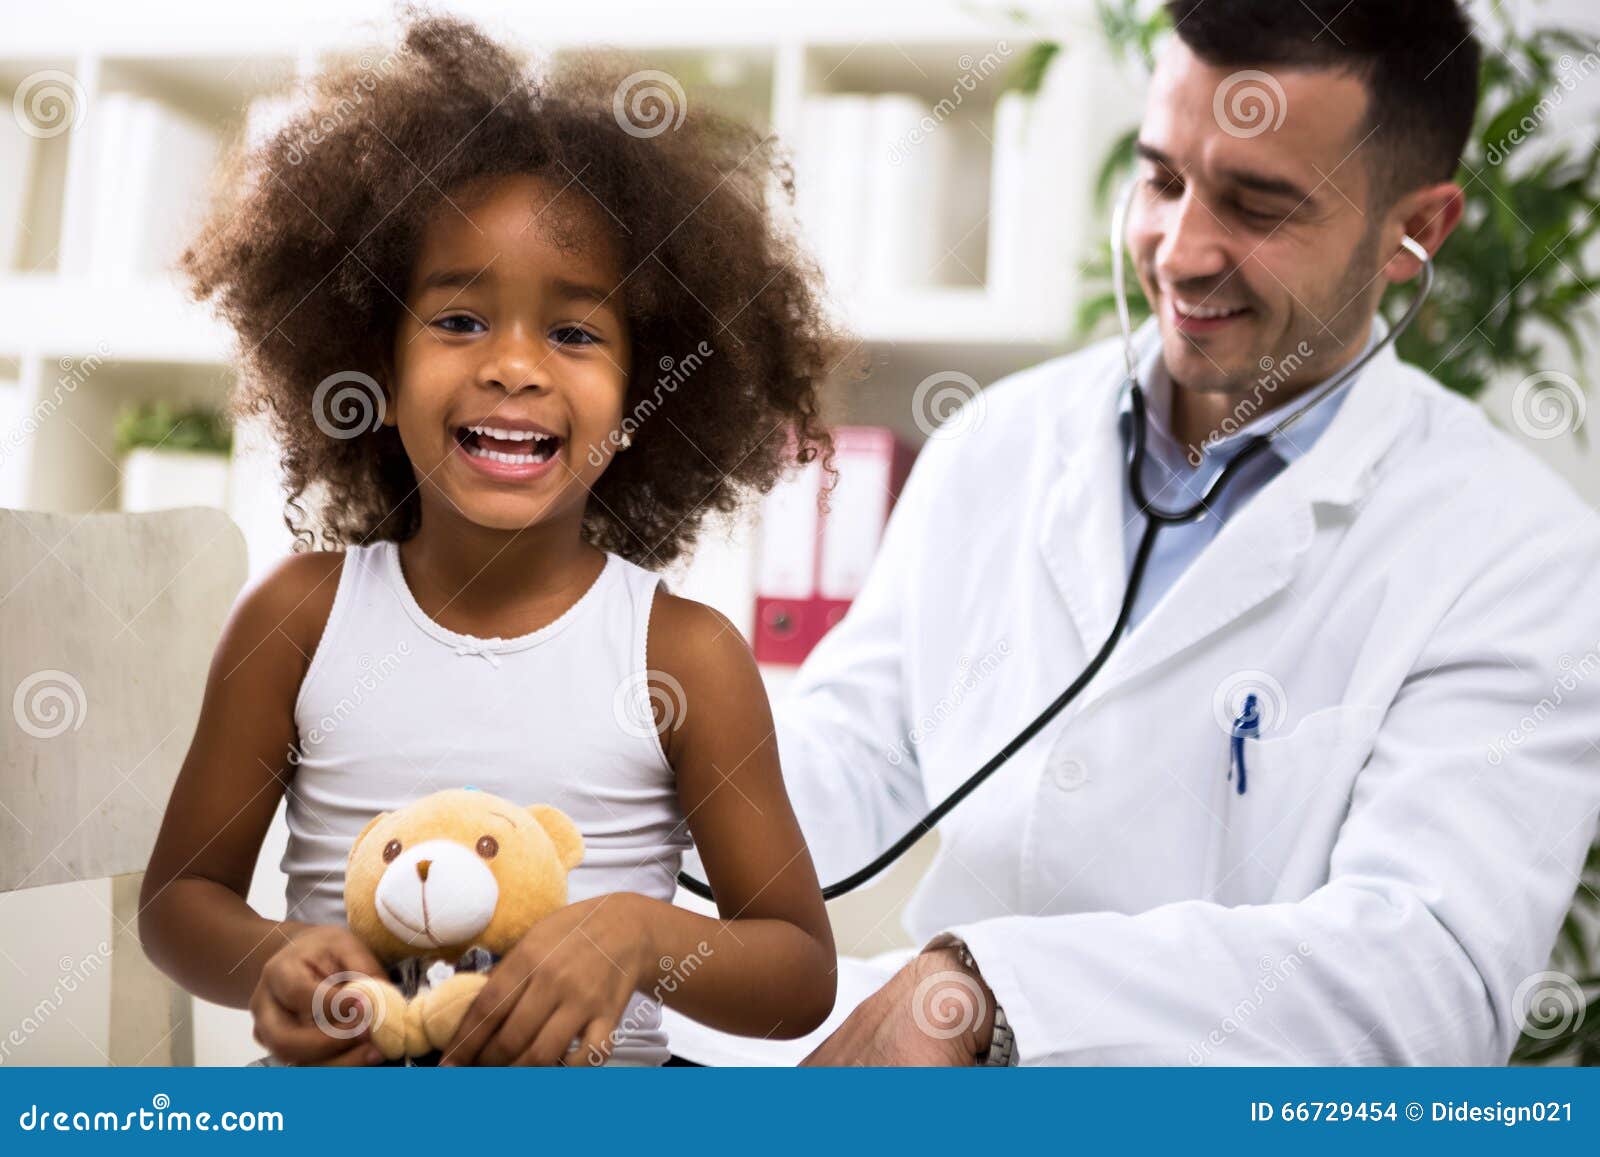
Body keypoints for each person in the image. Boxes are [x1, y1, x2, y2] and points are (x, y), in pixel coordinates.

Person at [770, 0, 1600, 1065]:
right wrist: (630, 796)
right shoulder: (999, 439)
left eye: (1259, 207)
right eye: (1162, 180)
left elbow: (1425, 980)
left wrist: (993, 989)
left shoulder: (1523, 557)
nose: (1182, 251)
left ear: (1418, 234)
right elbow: (855, 754)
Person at [137, 14, 839, 1066]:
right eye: (460, 321)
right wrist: (273, 959)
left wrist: (642, 936)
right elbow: (180, 901)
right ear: (375, 367)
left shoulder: (684, 656)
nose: (514, 366)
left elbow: (798, 971)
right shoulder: (298, 617)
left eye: (574, 332)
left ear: (642, 401)